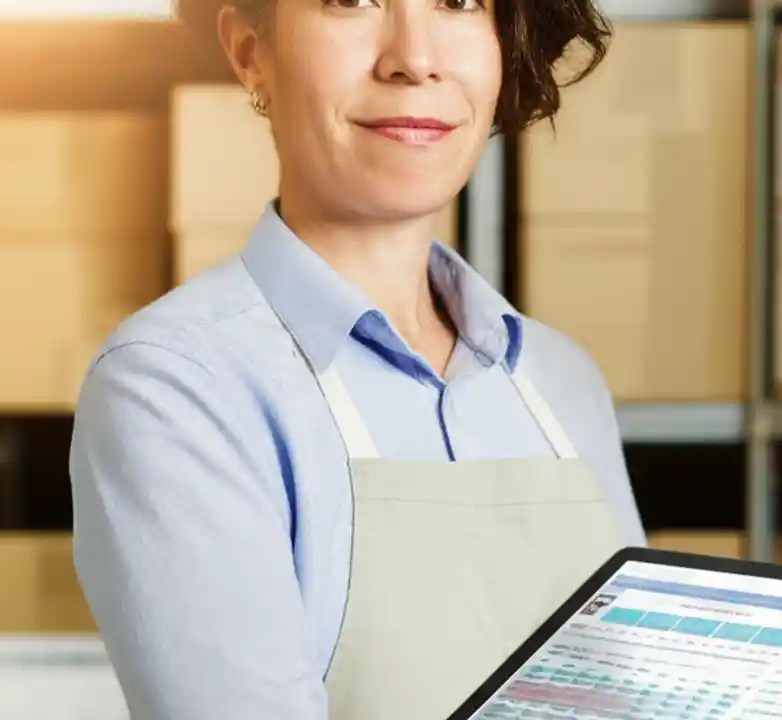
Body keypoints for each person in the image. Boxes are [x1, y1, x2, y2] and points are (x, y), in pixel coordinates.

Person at [68, 0, 646, 718]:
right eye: (350, 1)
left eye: (460, 2)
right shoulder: (177, 386)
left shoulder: (559, 381)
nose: (414, 57)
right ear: (252, 51)